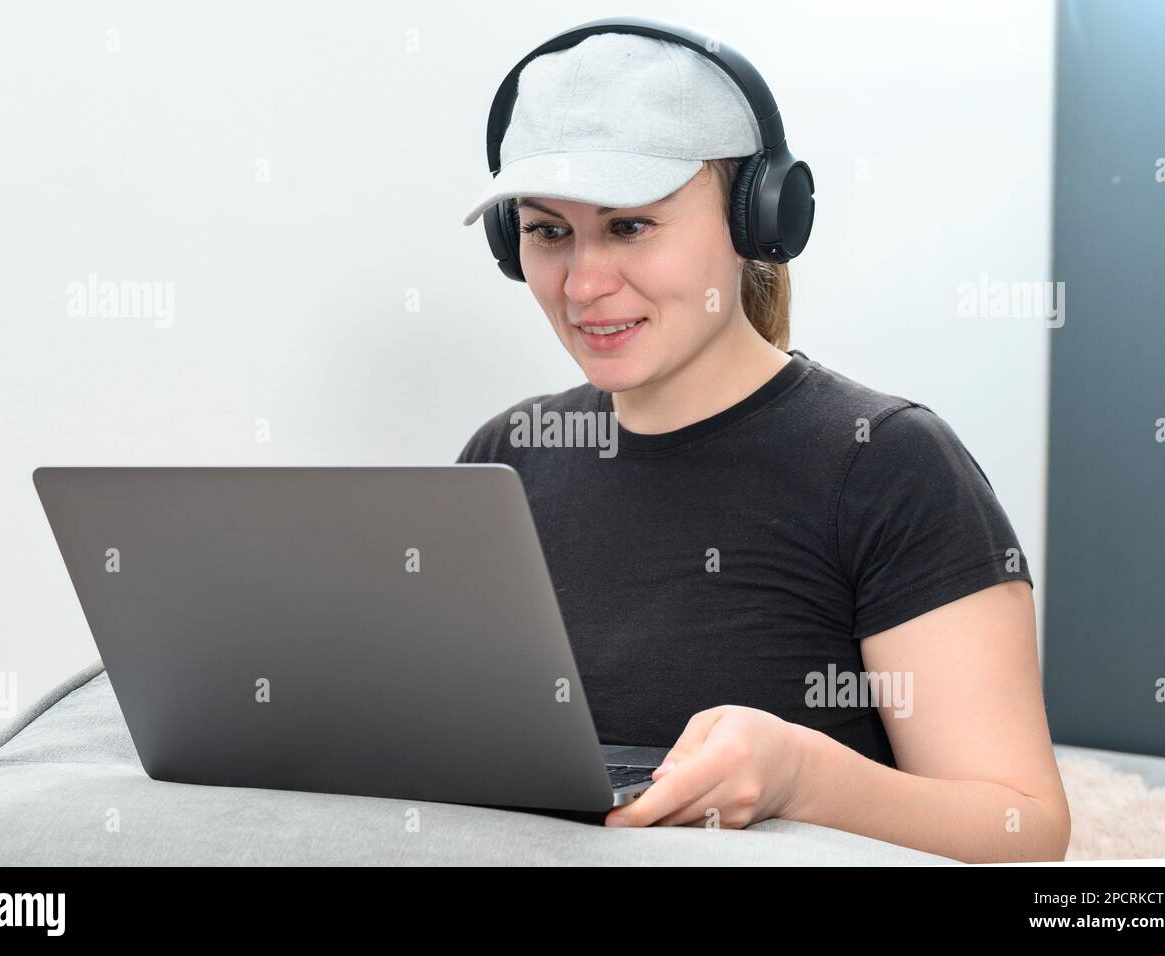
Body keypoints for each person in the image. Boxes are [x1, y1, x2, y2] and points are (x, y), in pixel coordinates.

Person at [457, 30, 1069, 863]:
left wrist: (801, 776)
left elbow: (1024, 831)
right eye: (548, 232)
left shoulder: (890, 464)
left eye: (631, 226)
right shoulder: (510, 457)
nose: (583, 284)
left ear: (759, 220)